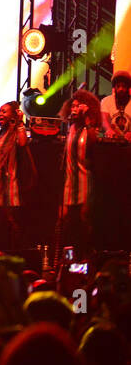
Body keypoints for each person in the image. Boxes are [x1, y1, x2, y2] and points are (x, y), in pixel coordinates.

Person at [58, 89, 100, 260]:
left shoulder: (88, 129)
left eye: (78, 106)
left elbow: (92, 143)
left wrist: (88, 117)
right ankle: (67, 258)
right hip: (70, 180)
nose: (74, 109)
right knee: (65, 219)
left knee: (84, 219)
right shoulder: (71, 128)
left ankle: (87, 256)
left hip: (84, 180)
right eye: (73, 106)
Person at [0, 101, 31, 254]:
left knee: (11, 223)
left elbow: (23, 143)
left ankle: (13, 256)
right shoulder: (0, 134)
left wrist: (19, 123)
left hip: (10, 189)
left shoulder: (15, 132)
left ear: (12, 114)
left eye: (4, 112)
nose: (0, 114)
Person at [101, 71, 131, 140]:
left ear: (128, 88)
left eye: (124, 86)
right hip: (111, 142)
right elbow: (104, 118)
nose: (121, 89)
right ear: (114, 87)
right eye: (118, 86)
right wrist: (108, 129)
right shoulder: (106, 101)